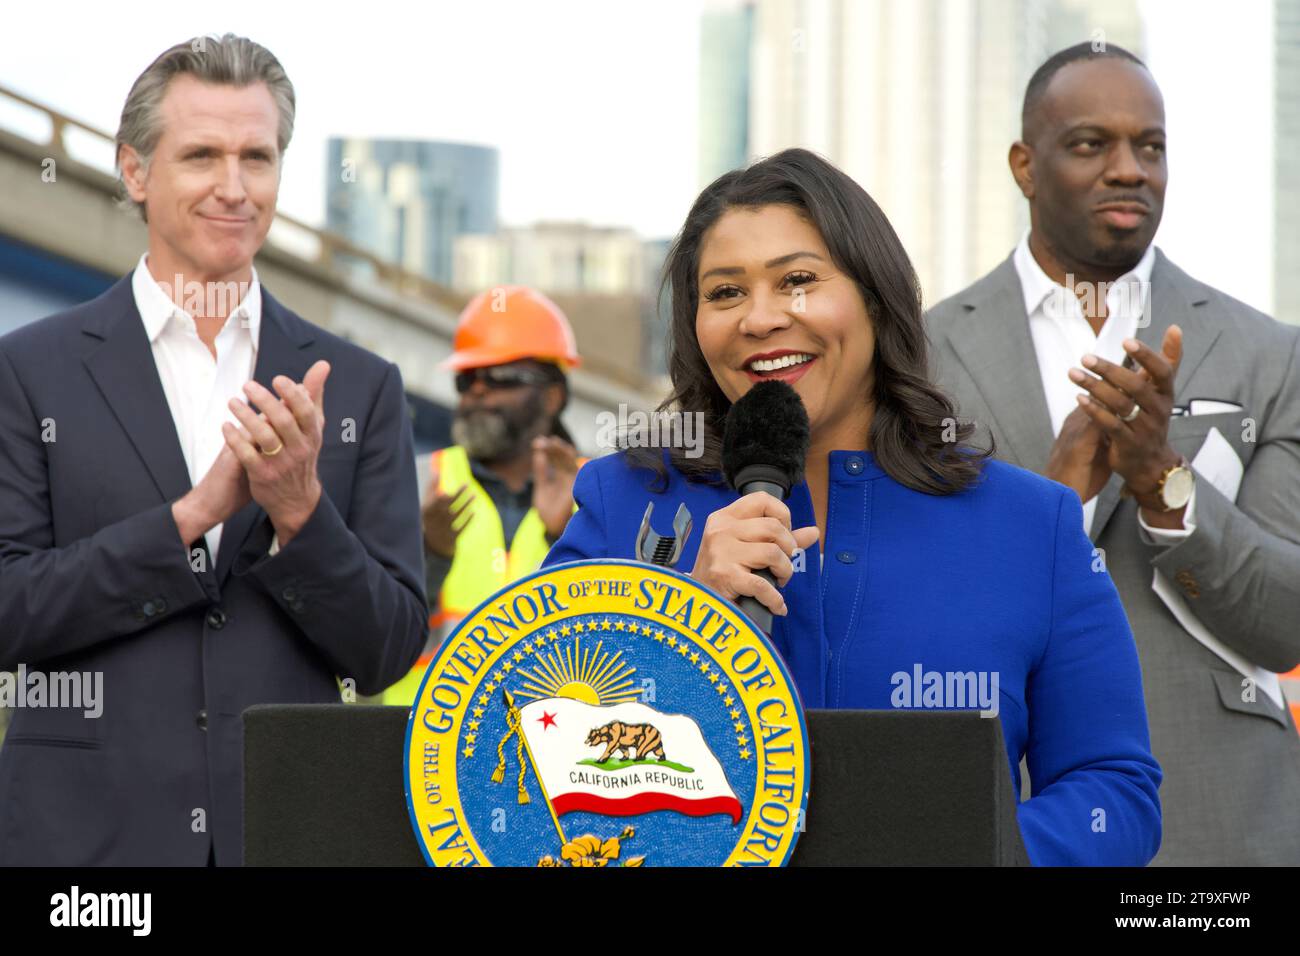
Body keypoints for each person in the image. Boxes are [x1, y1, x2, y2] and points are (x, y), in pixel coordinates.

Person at [543, 147, 1162, 866]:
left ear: (874, 298)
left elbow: (1114, 794)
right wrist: (684, 615)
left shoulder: (1032, 525)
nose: (761, 318)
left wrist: (958, 852)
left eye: (798, 280)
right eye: (724, 293)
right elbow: (516, 753)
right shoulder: (621, 502)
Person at [0, 35, 427, 865]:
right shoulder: (26, 372)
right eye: (201, 155)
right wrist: (193, 518)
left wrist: (301, 511)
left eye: (256, 158)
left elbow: (388, 649)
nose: (234, 188)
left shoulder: (362, 386)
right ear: (134, 171)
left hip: (289, 834)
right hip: (86, 851)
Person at [927, 43, 1300, 865]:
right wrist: (1053, 494)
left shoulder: (1271, 356)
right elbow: (912, 604)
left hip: (1218, 818)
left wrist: (1165, 484)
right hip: (1005, 811)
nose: (1130, 169)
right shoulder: (921, 356)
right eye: (1092, 144)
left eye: (1151, 146)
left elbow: (1286, 622)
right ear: (1026, 165)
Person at [381, 287, 585, 705]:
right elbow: (374, 628)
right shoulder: (412, 481)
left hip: (549, 745)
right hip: (421, 741)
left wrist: (563, 536)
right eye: (467, 379)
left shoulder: (597, 494)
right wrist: (430, 553)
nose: (477, 391)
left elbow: (618, 628)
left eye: (500, 378)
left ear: (552, 395)